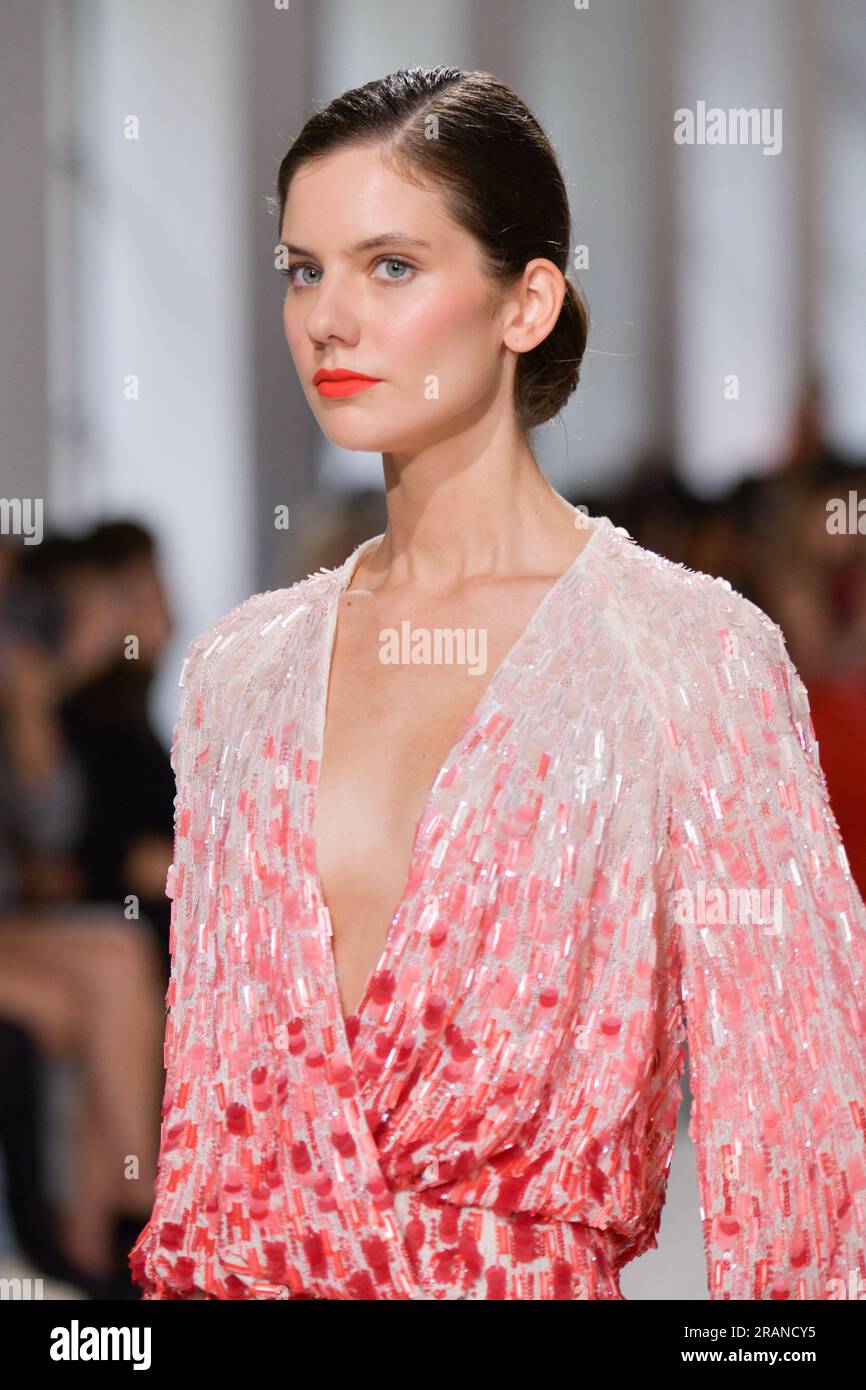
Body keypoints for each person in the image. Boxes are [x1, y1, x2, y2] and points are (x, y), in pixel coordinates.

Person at [130, 66, 866, 1301]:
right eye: (303, 270)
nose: (329, 318)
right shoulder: (237, 675)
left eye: (392, 266)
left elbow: (798, 1146)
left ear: (526, 301)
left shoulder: (687, 656)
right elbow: (207, 1146)